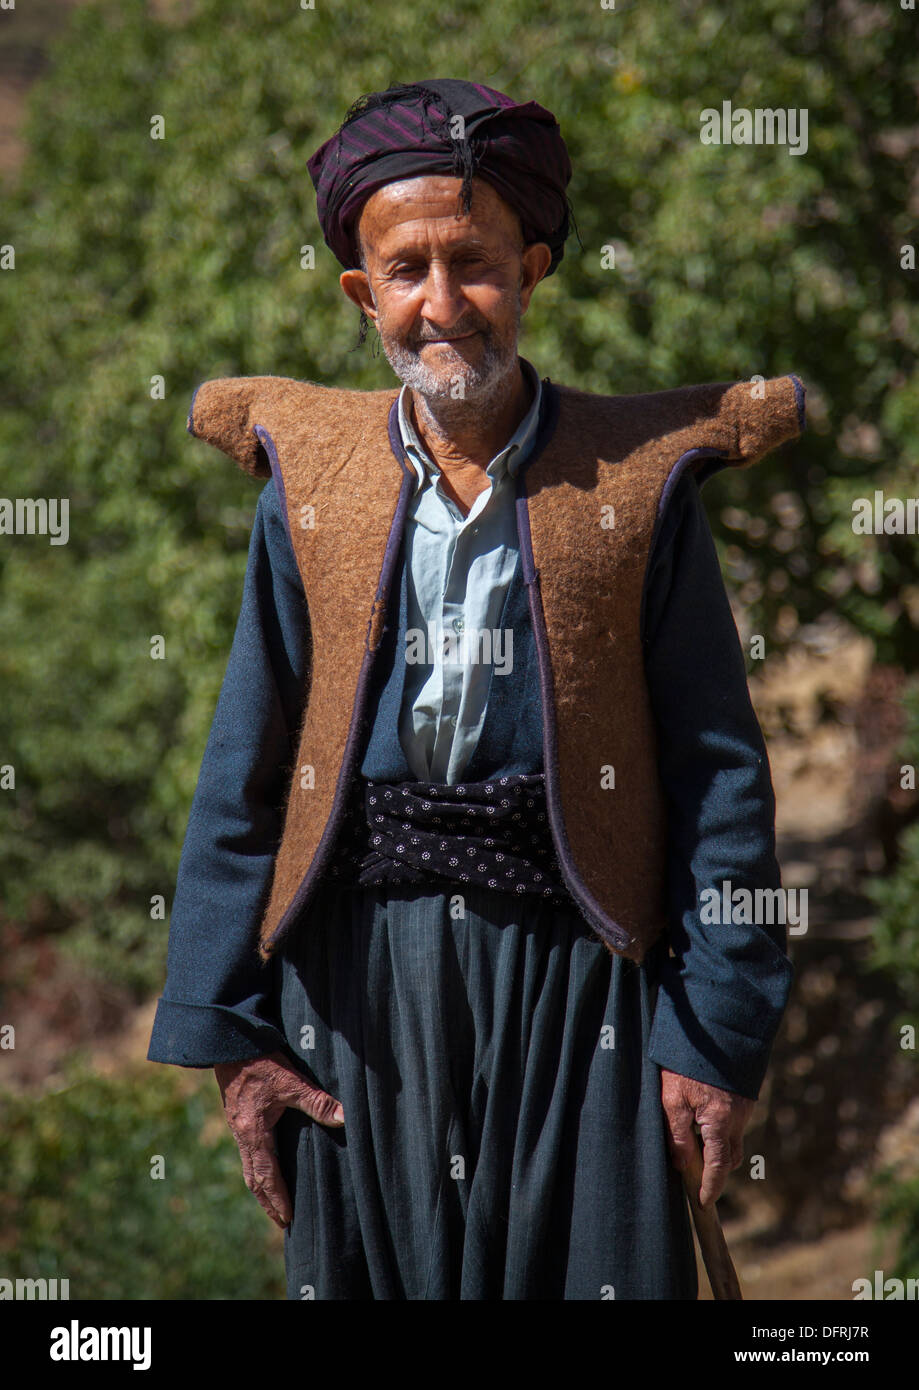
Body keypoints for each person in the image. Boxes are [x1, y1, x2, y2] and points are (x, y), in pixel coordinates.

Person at [147, 78, 805, 1300]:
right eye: (405, 270)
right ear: (360, 291)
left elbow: (721, 773)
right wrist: (232, 1034)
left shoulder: (634, 488)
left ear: (535, 266)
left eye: (476, 263)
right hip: (354, 989)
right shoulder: (313, 487)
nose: (441, 304)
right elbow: (245, 767)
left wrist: (710, 1033)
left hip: (584, 980)